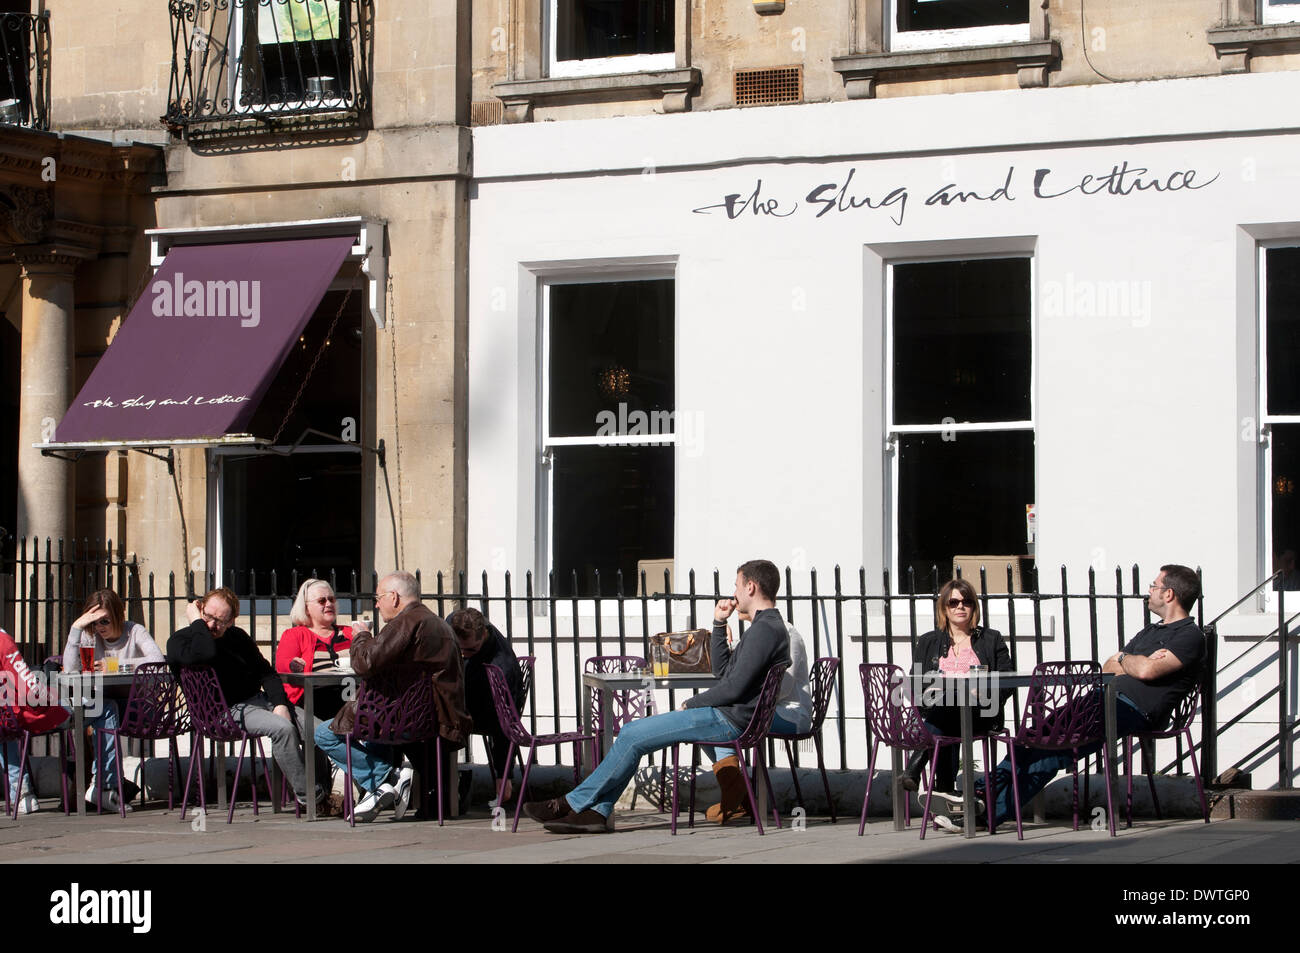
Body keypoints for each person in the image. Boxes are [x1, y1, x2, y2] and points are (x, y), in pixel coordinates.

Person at [522, 559, 791, 834]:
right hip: (730, 716)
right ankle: (596, 812)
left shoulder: (764, 630)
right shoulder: (766, 628)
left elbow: (733, 689)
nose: (733, 593)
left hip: (729, 719)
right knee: (632, 735)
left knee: (631, 735)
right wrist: (719, 624)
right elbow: (722, 673)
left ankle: (571, 803)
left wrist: (692, 703)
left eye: (736, 585)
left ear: (751, 586)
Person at [941, 564, 1205, 830]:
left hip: (1134, 710)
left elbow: (1145, 670)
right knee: (1033, 736)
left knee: (1054, 749)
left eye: (1154, 586)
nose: (1149, 591)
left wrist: (1128, 659)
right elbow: (1108, 667)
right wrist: (1131, 661)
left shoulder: (1189, 636)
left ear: (1169, 594)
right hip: (1101, 699)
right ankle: (976, 799)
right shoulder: (1152, 631)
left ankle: (981, 811)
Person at [314, 571, 472, 822]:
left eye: (378, 598)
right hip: (436, 717)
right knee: (375, 731)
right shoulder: (440, 624)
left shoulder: (405, 622)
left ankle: (388, 779)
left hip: (402, 718)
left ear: (394, 597)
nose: (376, 604)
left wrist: (361, 636)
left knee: (323, 733)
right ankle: (383, 786)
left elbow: (364, 663)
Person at [167, 587, 319, 808]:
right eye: (208, 616)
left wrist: (280, 705)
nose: (212, 625)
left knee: (319, 730)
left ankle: (327, 788)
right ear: (199, 610)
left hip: (257, 701)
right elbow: (205, 653)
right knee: (282, 729)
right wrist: (196, 622)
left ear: (231, 621)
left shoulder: (237, 637)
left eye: (220, 621)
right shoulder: (180, 641)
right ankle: (311, 798)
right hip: (223, 711)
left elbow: (266, 672)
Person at [902, 577, 1012, 812]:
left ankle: (915, 767)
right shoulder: (929, 641)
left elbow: (1008, 681)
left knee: (951, 704)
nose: (960, 607)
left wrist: (984, 692)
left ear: (974, 607)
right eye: (953, 602)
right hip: (938, 712)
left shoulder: (991, 639)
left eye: (967, 602)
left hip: (980, 713)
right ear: (944, 607)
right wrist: (931, 690)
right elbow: (916, 682)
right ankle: (945, 791)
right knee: (947, 706)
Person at [63, 589, 165, 811]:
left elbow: (157, 660)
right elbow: (70, 669)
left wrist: (115, 665)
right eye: (95, 622)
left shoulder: (134, 631)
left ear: (119, 614)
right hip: (103, 704)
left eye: (105, 620)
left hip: (136, 707)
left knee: (103, 712)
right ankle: (106, 788)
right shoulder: (90, 637)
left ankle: (105, 788)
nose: (100, 627)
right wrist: (77, 629)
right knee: (101, 711)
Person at [703, 619, 813, 824]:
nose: (735, 597)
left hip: (790, 714)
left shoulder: (788, 635)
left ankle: (738, 796)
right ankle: (742, 795)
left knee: (717, 721)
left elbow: (784, 687)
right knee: (703, 726)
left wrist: (741, 692)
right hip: (759, 710)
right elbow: (728, 675)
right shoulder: (755, 634)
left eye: (739, 588)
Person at [447, 607, 523, 805]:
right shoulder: (452, 623)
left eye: (470, 650)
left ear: (484, 634)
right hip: (466, 698)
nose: (463, 654)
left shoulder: (501, 667)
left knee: (440, 722)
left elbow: (506, 724)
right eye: (458, 648)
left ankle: (443, 789)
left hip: (485, 713)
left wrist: (503, 774)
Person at [0, 626, 70, 814]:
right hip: (17, 717)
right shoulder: (3, 641)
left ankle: (21, 791)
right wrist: (53, 699)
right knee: (84, 710)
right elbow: (29, 688)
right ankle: (93, 785)